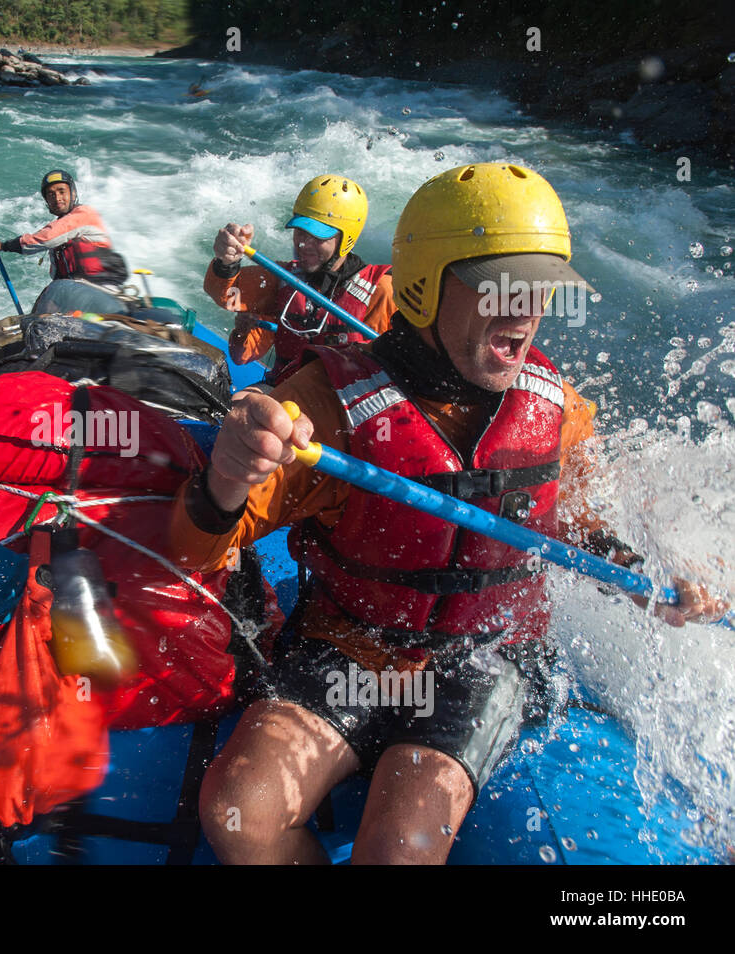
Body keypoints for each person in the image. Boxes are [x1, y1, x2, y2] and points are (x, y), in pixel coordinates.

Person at [169, 162, 727, 865]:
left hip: (483, 655)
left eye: (541, 288)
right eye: (502, 286)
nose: (526, 310)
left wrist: (649, 576)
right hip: (348, 643)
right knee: (239, 816)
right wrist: (225, 474)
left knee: (398, 848)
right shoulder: (321, 407)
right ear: (429, 285)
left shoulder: (557, 406)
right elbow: (194, 549)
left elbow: (586, 521)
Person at [208, 173, 394, 385]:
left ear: (346, 237)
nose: (304, 244)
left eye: (318, 236)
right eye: (300, 232)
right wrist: (227, 263)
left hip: (347, 405)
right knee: (243, 408)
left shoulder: (383, 292)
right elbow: (228, 297)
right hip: (287, 391)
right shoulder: (283, 278)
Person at [0, 170, 130, 315]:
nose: (57, 198)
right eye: (51, 194)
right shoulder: (61, 235)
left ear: (73, 193)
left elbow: (46, 237)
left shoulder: (84, 214)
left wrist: (4, 246)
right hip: (79, 296)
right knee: (50, 295)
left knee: (55, 290)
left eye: (62, 191)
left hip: (101, 292)